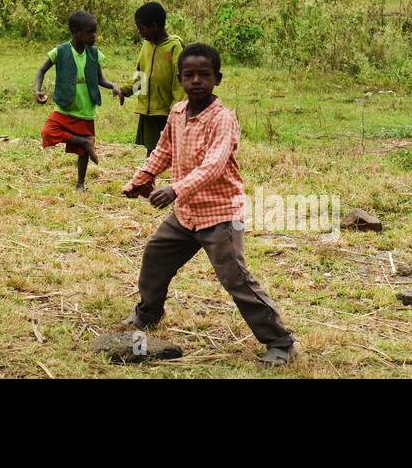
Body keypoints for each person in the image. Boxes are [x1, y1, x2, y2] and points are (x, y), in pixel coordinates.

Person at [121, 43, 296, 367]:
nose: (196, 80)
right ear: (180, 78)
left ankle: (280, 342)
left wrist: (175, 189)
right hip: (186, 214)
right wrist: (141, 178)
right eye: (189, 75)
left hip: (221, 215)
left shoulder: (223, 119)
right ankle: (148, 313)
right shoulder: (176, 112)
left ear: (218, 78)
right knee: (156, 257)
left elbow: (214, 166)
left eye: (205, 74)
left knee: (237, 280)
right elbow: (163, 150)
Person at [35, 10, 124, 191]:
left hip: (86, 108)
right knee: (48, 132)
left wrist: (113, 86)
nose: (94, 36)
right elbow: (41, 70)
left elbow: (101, 79)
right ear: (76, 32)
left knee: (84, 152)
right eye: (90, 32)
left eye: (94, 32)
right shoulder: (60, 51)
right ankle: (82, 141)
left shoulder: (94, 53)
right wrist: (37, 89)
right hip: (64, 106)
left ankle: (80, 183)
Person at [122, 1, 184, 156]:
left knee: (174, 148)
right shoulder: (146, 45)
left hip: (168, 110)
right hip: (149, 110)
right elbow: (141, 74)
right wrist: (126, 90)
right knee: (151, 149)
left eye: (141, 29)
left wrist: (177, 107)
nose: (140, 33)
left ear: (154, 27)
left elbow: (181, 79)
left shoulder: (174, 47)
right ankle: (149, 178)